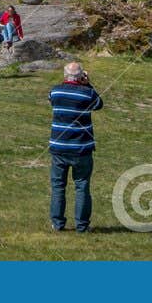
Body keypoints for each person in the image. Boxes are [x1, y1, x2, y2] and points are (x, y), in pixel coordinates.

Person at [47, 61, 104, 233]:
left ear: (65, 75)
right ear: (80, 77)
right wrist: (88, 84)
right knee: (82, 186)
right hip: (81, 148)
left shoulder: (55, 91)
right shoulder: (87, 94)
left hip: (59, 147)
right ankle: (82, 225)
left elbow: (51, 100)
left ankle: (57, 223)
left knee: (58, 186)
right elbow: (99, 104)